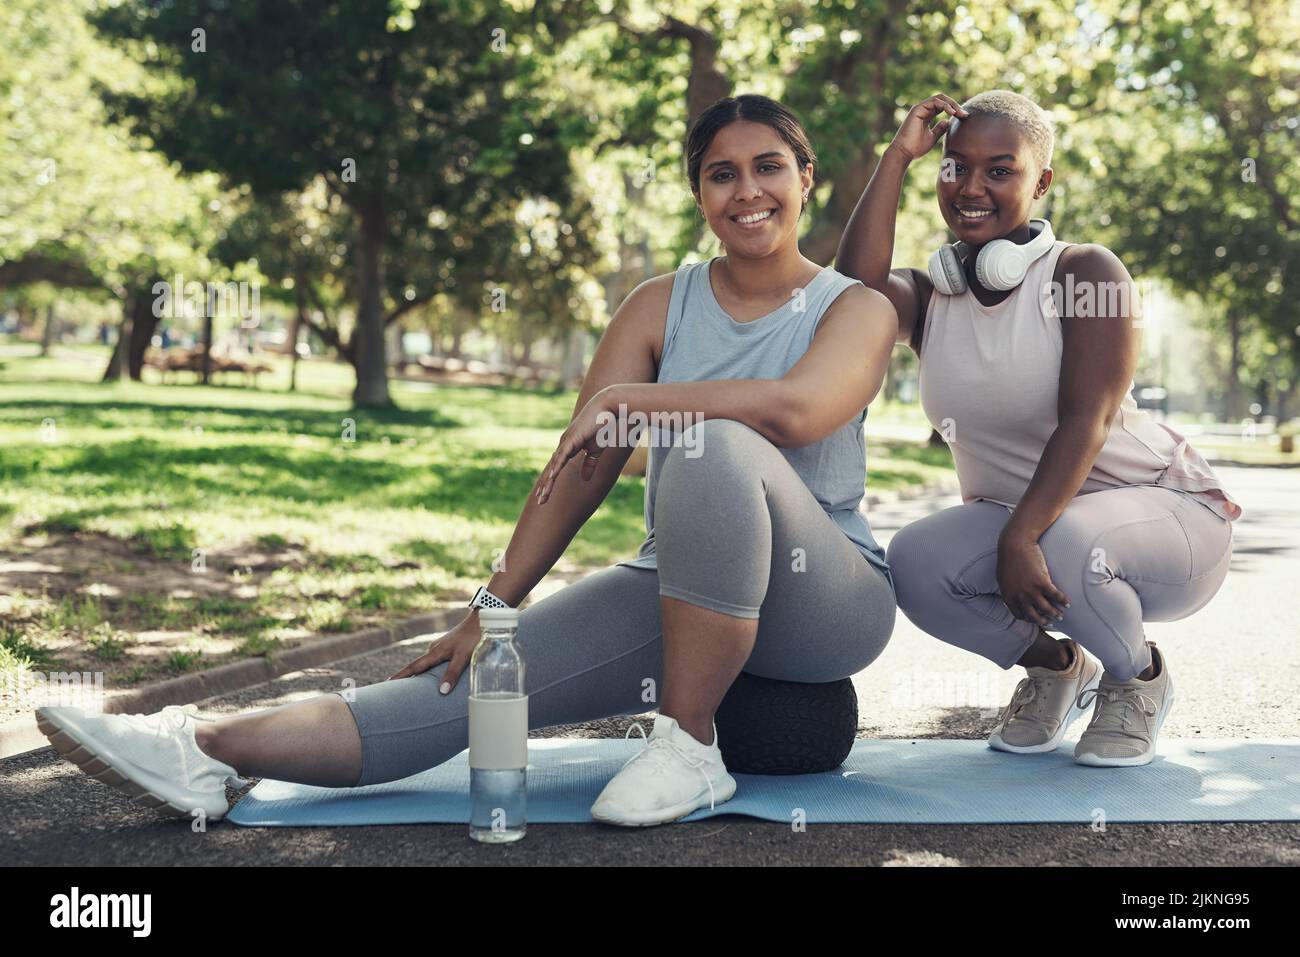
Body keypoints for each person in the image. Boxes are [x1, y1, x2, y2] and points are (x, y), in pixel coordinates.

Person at [36, 93, 899, 826]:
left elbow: (798, 411)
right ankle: (203, 751)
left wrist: (636, 403)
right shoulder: (656, 306)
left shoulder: (853, 307)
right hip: (678, 585)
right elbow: (583, 470)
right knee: (458, 691)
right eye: (722, 173)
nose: (747, 190)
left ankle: (689, 745)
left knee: (712, 440)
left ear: (806, 177)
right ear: (700, 194)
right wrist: (490, 610)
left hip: (824, 599)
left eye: (769, 166)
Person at [837, 90, 1242, 767]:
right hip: (1044, 527)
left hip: (1172, 524)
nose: (971, 187)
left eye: (1000, 169)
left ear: (1041, 181)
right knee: (914, 562)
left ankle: (1137, 677)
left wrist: (1021, 534)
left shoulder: (1085, 273)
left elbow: (1089, 419)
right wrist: (895, 158)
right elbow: (850, 296)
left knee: (1067, 537)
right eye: (954, 167)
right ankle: (1057, 666)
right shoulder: (934, 294)